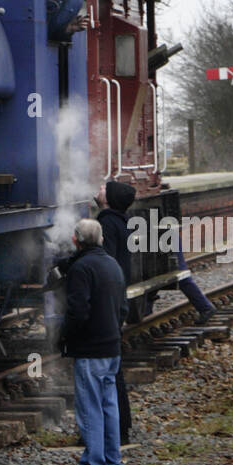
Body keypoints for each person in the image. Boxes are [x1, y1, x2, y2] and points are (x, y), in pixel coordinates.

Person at [46, 217, 126, 465]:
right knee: (109, 407)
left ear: (75, 240)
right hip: (111, 347)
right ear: (101, 239)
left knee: (90, 409)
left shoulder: (81, 269)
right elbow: (123, 308)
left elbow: (78, 311)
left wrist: (65, 337)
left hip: (90, 351)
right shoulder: (112, 264)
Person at [94, 179, 136, 442]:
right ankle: (120, 427)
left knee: (106, 368)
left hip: (106, 304)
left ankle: (115, 431)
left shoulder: (107, 224)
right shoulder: (118, 221)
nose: (98, 190)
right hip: (114, 301)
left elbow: (103, 264)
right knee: (111, 366)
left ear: (108, 199)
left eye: (103, 189)